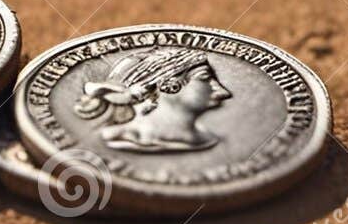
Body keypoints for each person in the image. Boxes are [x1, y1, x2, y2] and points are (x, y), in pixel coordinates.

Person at [73, 48, 232, 152]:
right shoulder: (118, 138)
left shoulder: (209, 139)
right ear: (169, 86)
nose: (223, 92)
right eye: (205, 79)